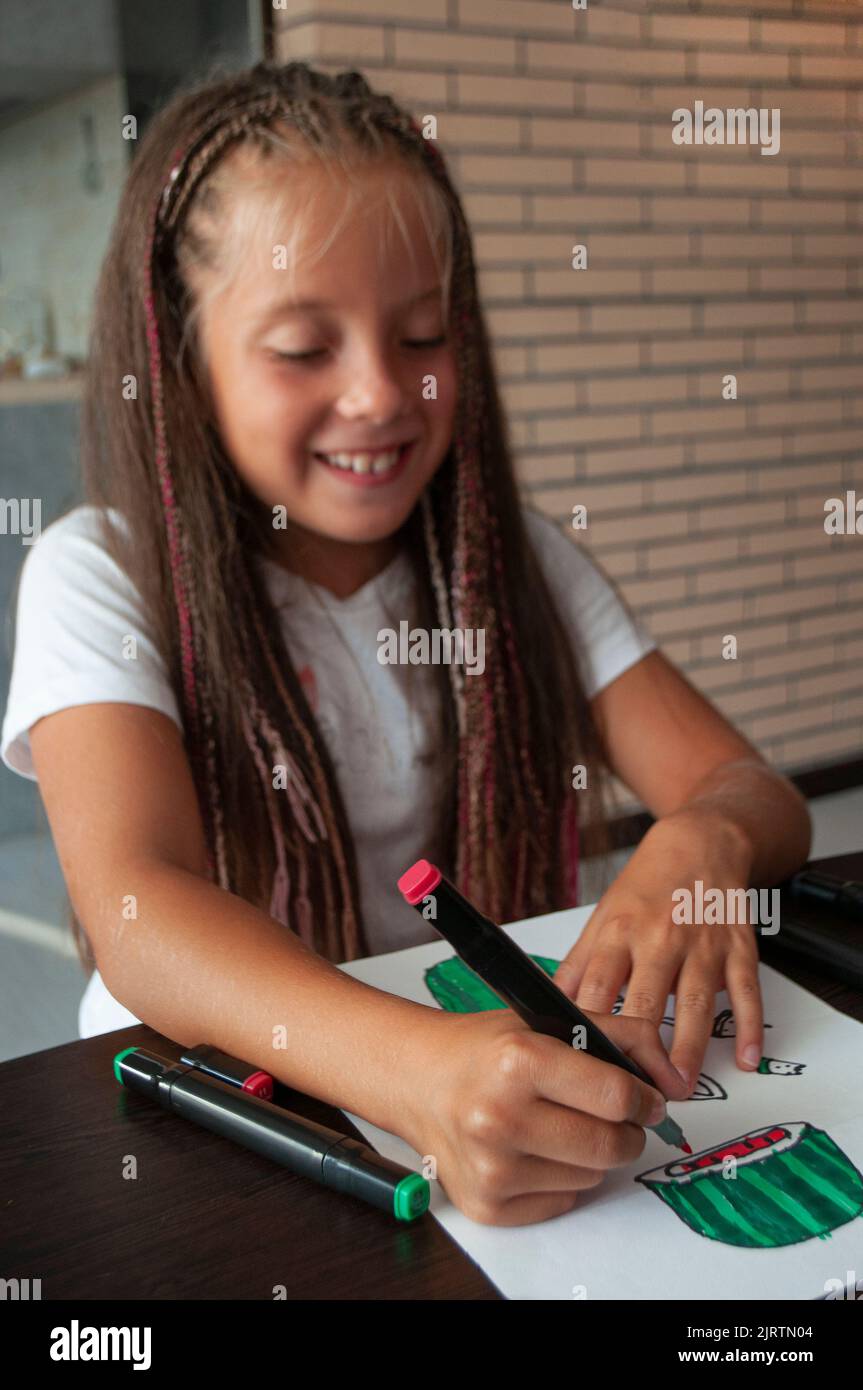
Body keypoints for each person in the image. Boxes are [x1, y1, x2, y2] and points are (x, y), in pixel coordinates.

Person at [1, 61, 811, 1227]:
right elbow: (137, 906)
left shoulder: (510, 560)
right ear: (182, 360)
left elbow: (754, 792)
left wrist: (702, 835)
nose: (381, 393)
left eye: (422, 333)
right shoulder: (101, 569)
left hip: (478, 1091)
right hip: (216, 1110)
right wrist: (417, 1076)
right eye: (300, 349)